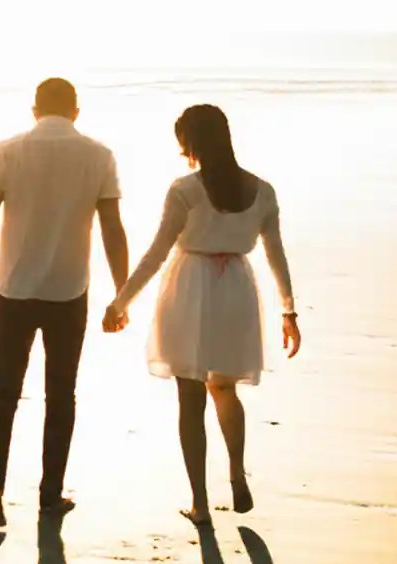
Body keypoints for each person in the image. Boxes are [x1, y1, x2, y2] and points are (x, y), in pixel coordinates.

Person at [103, 104, 301, 525]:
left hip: (190, 287)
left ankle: (201, 503)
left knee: (190, 399)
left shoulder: (185, 190)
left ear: (191, 143)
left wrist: (121, 302)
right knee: (225, 390)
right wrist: (289, 310)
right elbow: (275, 254)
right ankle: (236, 473)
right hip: (236, 292)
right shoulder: (263, 191)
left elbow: (157, 253)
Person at [0, 78, 129, 528]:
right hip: (68, 291)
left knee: (3, 390)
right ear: (76, 110)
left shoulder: (7, 152)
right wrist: (122, 294)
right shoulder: (99, 155)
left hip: (12, 288)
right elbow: (112, 229)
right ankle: (50, 493)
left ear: (34, 110)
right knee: (60, 394)